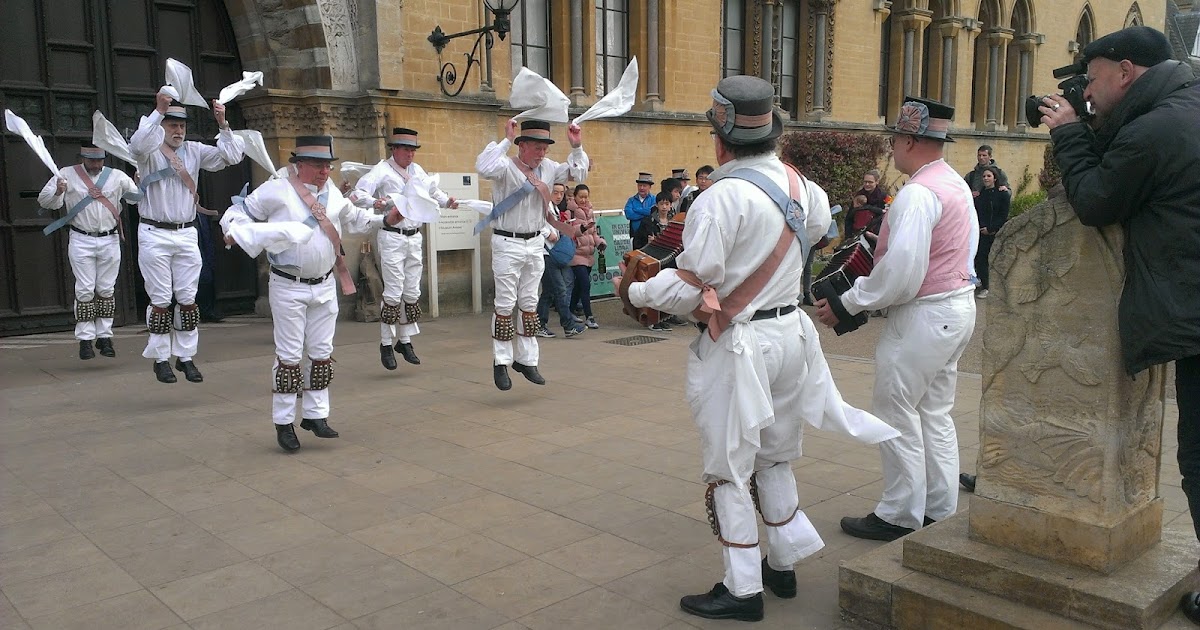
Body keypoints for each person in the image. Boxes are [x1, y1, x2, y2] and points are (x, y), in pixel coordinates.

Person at [617, 75, 896, 623]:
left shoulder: (719, 199)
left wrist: (638, 291)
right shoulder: (803, 187)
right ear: (771, 134)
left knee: (729, 466)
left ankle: (742, 588)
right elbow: (819, 233)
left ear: (720, 141)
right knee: (774, 455)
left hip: (742, 344)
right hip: (792, 336)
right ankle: (782, 564)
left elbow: (690, 286)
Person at [1034, 26, 1200, 623]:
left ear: (1126, 71)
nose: (1086, 89)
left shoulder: (1157, 129)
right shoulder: (1184, 108)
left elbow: (1099, 199)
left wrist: (1068, 134)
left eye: (1094, 75)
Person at [816, 96, 979, 542]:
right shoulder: (952, 182)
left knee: (896, 411)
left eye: (895, 139)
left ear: (909, 140)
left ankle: (900, 513)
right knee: (934, 412)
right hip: (956, 307)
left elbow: (902, 272)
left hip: (925, 314)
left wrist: (848, 302)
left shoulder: (918, 193)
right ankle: (938, 507)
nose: (892, 147)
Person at [222, 136, 402, 451]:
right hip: (288, 284)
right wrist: (237, 231)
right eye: (319, 166)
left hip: (325, 284)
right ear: (300, 164)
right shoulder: (277, 189)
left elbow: (356, 219)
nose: (324, 172)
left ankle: (316, 415)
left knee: (321, 353)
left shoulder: (332, 193)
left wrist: (386, 219)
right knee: (289, 357)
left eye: (328, 166)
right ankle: (284, 423)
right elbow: (238, 212)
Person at [129, 92, 245, 384]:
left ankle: (185, 357)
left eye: (181, 126)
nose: (178, 130)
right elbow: (136, 145)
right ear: (161, 126)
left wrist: (223, 124)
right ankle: (160, 359)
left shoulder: (194, 150)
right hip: (154, 232)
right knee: (160, 300)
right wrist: (158, 110)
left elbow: (232, 156)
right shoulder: (148, 150)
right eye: (172, 125)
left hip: (186, 232)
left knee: (188, 299)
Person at [476, 118, 589, 391]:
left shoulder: (549, 168)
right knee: (505, 304)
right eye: (537, 147)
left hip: (535, 242)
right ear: (522, 145)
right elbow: (483, 166)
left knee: (529, 301)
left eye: (545, 148)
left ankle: (527, 360)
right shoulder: (505, 166)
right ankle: (501, 361)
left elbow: (579, 174)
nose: (542, 153)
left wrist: (576, 146)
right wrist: (506, 139)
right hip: (507, 241)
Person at [348, 127, 458, 370]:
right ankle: (386, 343)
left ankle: (405, 341)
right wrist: (376, 202)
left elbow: (433, 191)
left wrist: (447, 201)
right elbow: (357, 194)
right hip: (392, 236)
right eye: (406, 150)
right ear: (395, 149)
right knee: (393, 291)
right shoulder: (382, 170)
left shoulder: (416, 170)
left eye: (413, 150)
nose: (410, 154)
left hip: (414, 236)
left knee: (411, 291)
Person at [37, 145, 140, 360]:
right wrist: (58, 191)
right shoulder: (65, 174)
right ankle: (85, 339)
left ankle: (105, 336)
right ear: (82, 158)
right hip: (81, 238)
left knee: (106, 289)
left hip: (109, 238)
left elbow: (135, 199)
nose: (96, 164)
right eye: (91, 160)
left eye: (99, 160)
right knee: (84, 289)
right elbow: (45, 201)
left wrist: (138, 181)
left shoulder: (117, 176)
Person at [536, 183, 584, 338]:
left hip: (554, 252)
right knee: (560, 289)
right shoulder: (543, 206)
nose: (559, 196)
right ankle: (568, 325)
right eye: (555, 192)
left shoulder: (555, 208)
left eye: (561, 193)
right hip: (546, 253)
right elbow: (535, 223)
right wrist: (547, 233)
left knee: (549, 291)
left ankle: (540, 324)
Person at [569, 184, 605, 329]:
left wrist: (600, 242)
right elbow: (570, 231)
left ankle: (569, 311)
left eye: (586, 197)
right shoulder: (570, 211)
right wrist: (583, 228)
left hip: (589, 254)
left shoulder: (590, 212)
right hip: (576, 254)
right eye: (580, 197)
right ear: (575, 197)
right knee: (585, 284)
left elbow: (593, 233)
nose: (583, 200)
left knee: (579, 286)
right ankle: (589, 317)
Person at [972, 165, 1010, 299]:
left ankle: (994, 287)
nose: (986, 178)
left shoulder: (1002, 194)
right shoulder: (979, 196)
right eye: (984, 176)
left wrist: (991, 229)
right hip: (981, 234)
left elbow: (1003, 215)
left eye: (989, 176)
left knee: (995, 261)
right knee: (980, 259)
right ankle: (983, 285)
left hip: (996, 234)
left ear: (995, 178)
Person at [624, 172, 656, 238]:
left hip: (650, 235)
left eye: (644, 186)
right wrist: (646, 214)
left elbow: (653, 212)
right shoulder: (631, 200)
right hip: (635, 235)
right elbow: (629, 215)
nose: (641, 188)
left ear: (650, 187)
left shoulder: (654, 199)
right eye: (640, 185)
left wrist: (636, 210)